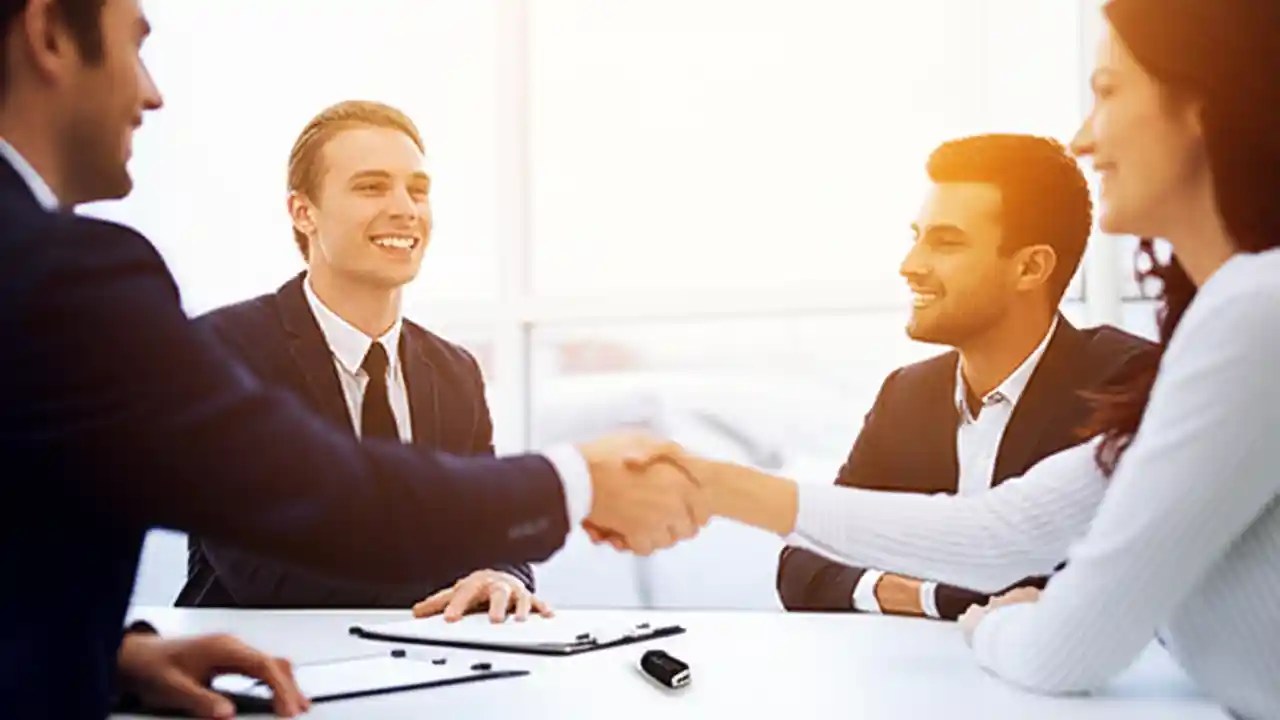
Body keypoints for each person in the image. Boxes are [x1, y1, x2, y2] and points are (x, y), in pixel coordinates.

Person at [0, 1, 703, 717]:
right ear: (50, 33)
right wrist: (575, 484)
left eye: (418, 190)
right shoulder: (110, 293)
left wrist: (118, 652)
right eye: (135, 47)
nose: (152, 92)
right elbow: (297, 514)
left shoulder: (453, 369)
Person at [668, 1, 1280, 715]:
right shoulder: (1238, 312)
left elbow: (1065, 648)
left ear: (1201, 104)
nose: (1084, 139)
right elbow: (1004, 531)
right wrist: (712, 484)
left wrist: (991, 623)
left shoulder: (1254, 311)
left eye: (1108, 92)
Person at [176, 100, 548, 622]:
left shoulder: (455, 372)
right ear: (303, 212)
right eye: (372, 186)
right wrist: (438, 592)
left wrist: (501, 574)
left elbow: (489, 529)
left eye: (417, 190)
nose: (406, 208)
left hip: (430, 670)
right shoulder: (226, 350)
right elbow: (261, 567)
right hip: (256, 674)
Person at [777, 134, 1153, 619]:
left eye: (946, 243)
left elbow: (1081, 585)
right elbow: (804, 564)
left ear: (1031, 267)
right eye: (917, 238)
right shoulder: (907, 395)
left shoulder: (1127, 384)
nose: (910, 266)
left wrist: (918, 588)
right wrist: (916, 594)